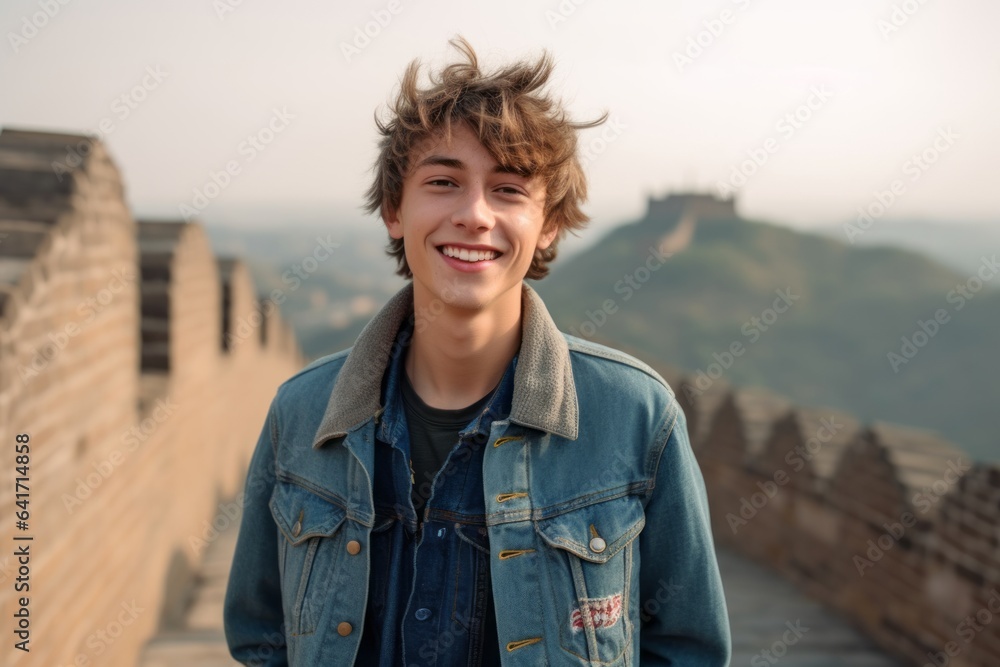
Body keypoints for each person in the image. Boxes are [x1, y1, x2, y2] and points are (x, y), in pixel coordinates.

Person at [223, 35, 731, 666]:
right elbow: (261, 637)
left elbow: (686, 648)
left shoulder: (635, 416)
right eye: (443, 181)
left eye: (509, 189)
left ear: (548, 225)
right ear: (394, 210)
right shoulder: (301, 415)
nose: (475, 215)